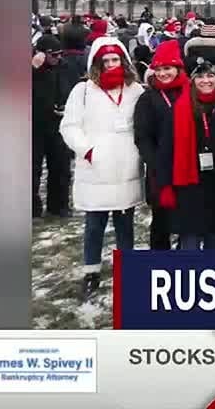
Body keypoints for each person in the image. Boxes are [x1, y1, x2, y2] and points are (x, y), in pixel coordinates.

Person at [60, 37, 145, 300]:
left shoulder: (135, 90)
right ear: (97, 63)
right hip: (96, 167)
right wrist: (87, 149)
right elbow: (69, 125)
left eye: (115, 59)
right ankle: (91, 271)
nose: (110, 65)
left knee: (125, 223)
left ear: (123, 60)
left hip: (125, 166)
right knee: (95, 223)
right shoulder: (83, 90)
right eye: (105, 61)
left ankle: (127, 269)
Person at [162, 56, 215, 251]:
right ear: (192, 80)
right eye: (200, 76)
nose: (206, 80)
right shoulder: (180, 108)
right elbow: (167, 148)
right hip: (190, 181)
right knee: (190, 237)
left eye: (211, 76)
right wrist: (166, 184)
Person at [133, 40, 189, 251]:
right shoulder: (148, 98)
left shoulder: (188, 91)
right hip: (161, 170)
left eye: (168, 68)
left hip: (188, 167)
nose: (164, 73)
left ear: (178, 68)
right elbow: (142, 136)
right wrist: (155, 163)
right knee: (161, 222)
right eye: (159, 69)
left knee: (188, 220)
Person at [32, 34, 71, 218]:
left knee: (61, 167)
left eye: (60, 54)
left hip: (58, 125)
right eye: (54, 54)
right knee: (32, 169)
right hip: (34, 127)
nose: (58, 58)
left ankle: (59, 205)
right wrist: (33, 68)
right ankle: (32, 207)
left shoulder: (64, 67)